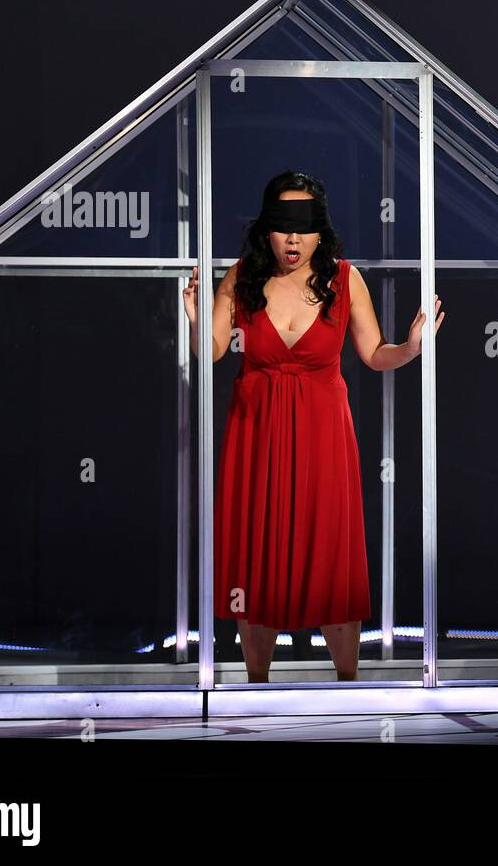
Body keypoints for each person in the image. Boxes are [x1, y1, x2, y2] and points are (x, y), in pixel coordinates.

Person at [182, 171, 444, 683]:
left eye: (303, 226)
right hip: (255, 435)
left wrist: (412, 348)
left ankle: (348, 684)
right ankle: (257, 684)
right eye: (283, 226)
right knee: (256, 554)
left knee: (330, 552)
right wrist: (196, 319)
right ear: (267, 230)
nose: (293, 238)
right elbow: (211, 351)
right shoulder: (242, 277)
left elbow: (373, 354)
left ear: (320, 229)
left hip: (323, 438)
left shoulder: (345, 280)